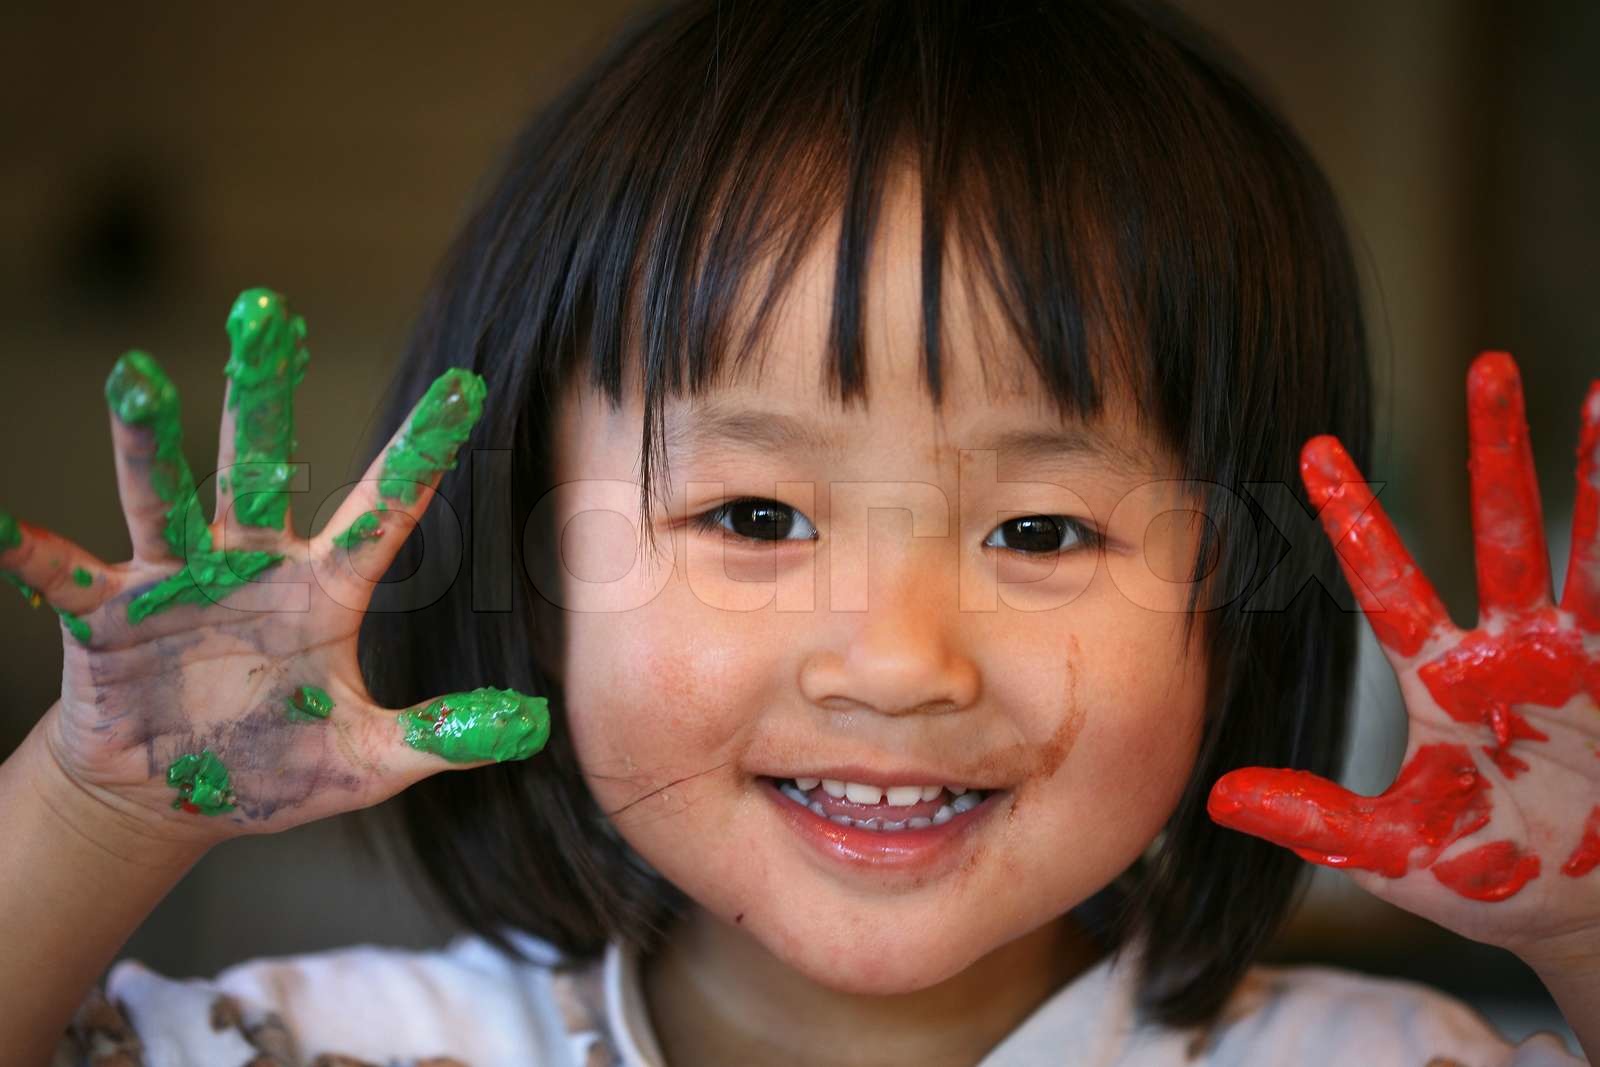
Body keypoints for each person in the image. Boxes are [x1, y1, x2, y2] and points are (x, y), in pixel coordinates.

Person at [0, 1, 1594, 1064]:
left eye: (1044, 530)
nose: (896, 663)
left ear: (1236, 607)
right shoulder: (334, 1049)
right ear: (534, 568)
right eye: (755, 514)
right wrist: (95, 811)